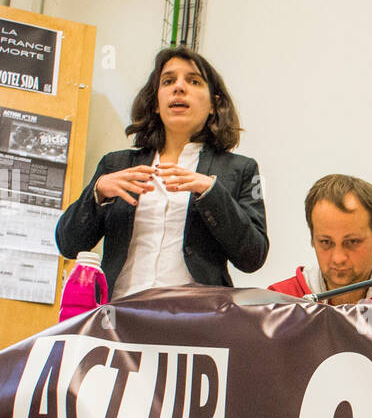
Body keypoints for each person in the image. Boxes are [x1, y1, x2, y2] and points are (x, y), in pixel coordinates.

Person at [55, 46, 268, 300]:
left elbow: (253, 256)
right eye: (168, 81)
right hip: (119, 316)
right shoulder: (116, 165)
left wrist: (211, 193)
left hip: (198, 320)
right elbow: (68, 245)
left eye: (193, 81)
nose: (179, 87)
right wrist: (97, 193)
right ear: (156, 103)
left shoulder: (241, 170)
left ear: (214, 104)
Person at [269, 174, 372, 304]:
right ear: (312, 236)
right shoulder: (277, 302)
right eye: (326, 242)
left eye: (352, 242)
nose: (338, 259)